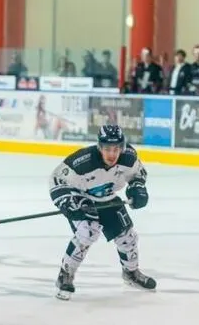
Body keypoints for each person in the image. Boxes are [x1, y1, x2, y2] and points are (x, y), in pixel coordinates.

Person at [48, 125, 155, 300]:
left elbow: (138, 174)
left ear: (121, 147)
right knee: (87, 232)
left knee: (127, 236)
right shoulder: (82, 161)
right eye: (107, 149)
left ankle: (131, 273)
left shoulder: (128, 157)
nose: (112, 154)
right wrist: (65, 201)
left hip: (106, 198)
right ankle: (65, 275)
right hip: (80, 197)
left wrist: (138, 188)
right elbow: (57, 179)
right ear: (99, 147)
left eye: (116, 149)